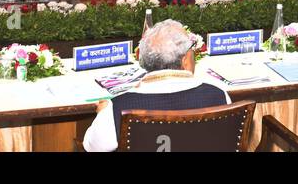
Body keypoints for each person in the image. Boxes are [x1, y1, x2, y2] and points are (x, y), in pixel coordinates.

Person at [82, 20, 229, 152]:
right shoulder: (220, 97)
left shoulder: (118, 107)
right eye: (192, 48)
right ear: (185, 61)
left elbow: (93, 147)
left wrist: (103, 113)